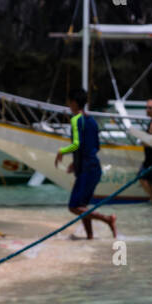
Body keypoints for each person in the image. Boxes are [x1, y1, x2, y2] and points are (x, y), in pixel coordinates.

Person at [54, 88, 117, 239]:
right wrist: (76, 163)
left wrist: (62, 151)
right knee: (82, 207)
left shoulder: (76, 120)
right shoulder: (92, 121)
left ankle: (108, 219)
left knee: (74, 207)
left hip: (87, 169)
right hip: (92, 167)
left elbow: (77, 145)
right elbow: (95, 146)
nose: (69, 106)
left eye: (69, 103)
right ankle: (90, 237)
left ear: (75, 103)